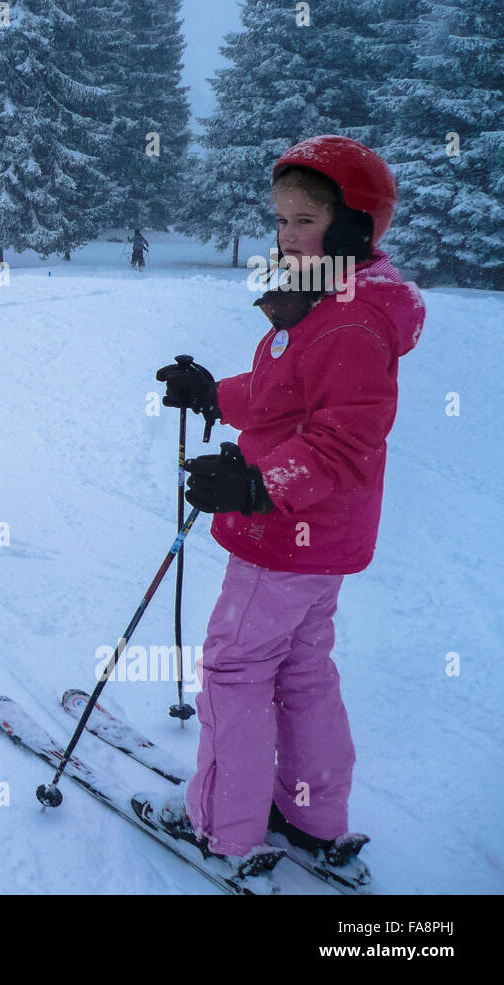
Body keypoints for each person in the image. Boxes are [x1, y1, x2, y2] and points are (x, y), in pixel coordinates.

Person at [137, 136, 424, 878]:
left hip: (286, 535)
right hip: (319, 539)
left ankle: (222, 826)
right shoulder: (329, 301)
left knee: (235, 669)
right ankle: (310, 813)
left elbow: (343, 442)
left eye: (304, 220)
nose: (285, 235)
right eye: (281, 219)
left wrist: (259, 487)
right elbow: (281, 394)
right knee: (301, 671)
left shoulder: (351, 320)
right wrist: (212, 392)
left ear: (356, 227)